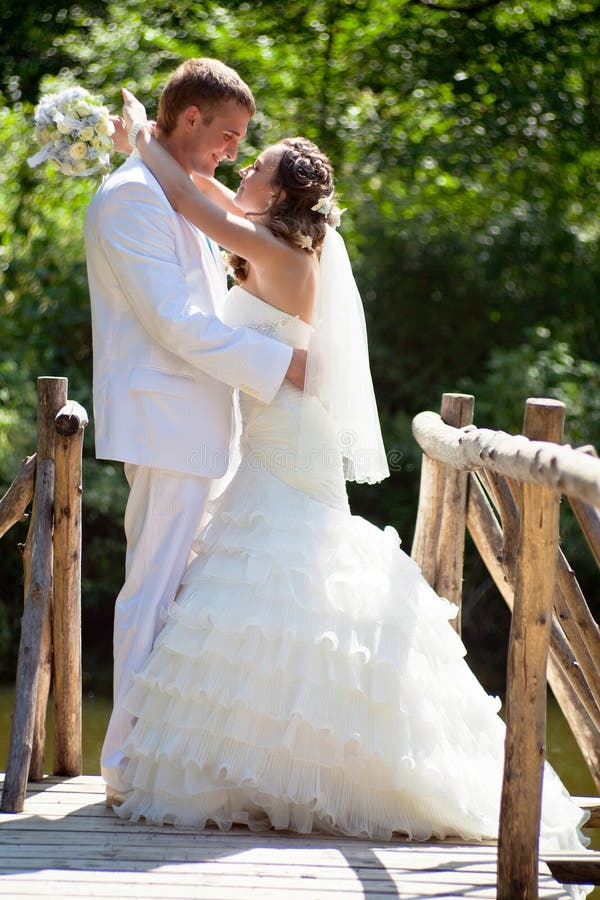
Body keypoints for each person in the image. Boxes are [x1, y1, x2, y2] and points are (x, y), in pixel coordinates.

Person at [113, 90, 592, 893]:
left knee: (293, 573)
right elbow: (213, 197)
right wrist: (154, 133)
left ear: (280, 195)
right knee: (272, 584)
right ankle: (269, 768)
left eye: (256, 165)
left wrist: (140, 141)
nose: (246, 167)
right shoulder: (274, 239)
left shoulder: (274, 251)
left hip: (285, 443)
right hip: (269, 434)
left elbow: (189, 199)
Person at [84, 58, 307, 805]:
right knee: (150, 593)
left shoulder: (163, 192)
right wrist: (285, 368)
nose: (231, 154)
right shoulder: (131, 202)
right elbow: (176, 326)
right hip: (168, 424)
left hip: (199, 423)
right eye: (226, 137)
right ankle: (124, 766)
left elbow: (200, 216)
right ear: (187, 122)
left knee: (178, 595)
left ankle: (161, 755)